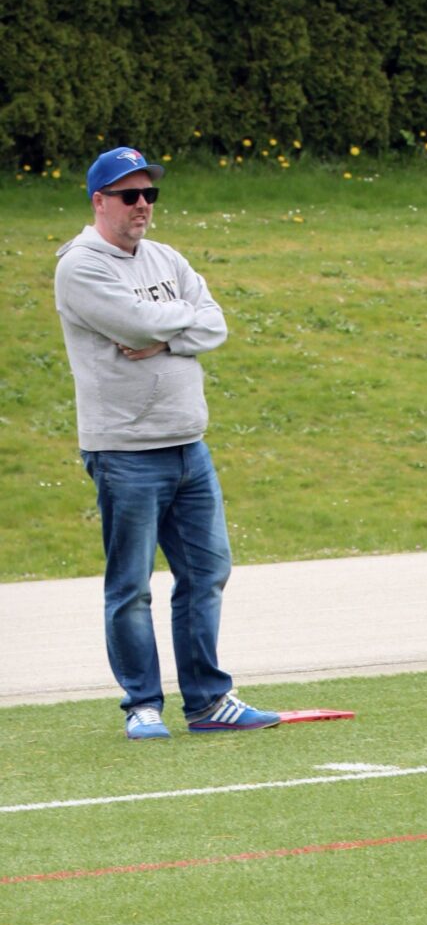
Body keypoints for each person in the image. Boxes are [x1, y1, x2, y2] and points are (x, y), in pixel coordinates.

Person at [54, 145, 280, 739]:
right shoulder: (81, 265)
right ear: (99, 201)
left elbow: (216, 323)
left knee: (206, 574)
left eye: (150, 194)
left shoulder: (165, 258)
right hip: (125, 451)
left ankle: (208, 701)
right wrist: (177, 327)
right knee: (130, 587)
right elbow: (137, 323)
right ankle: (142, 704)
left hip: (188, 444)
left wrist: (167, 339)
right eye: (130, 195)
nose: (143, 205)